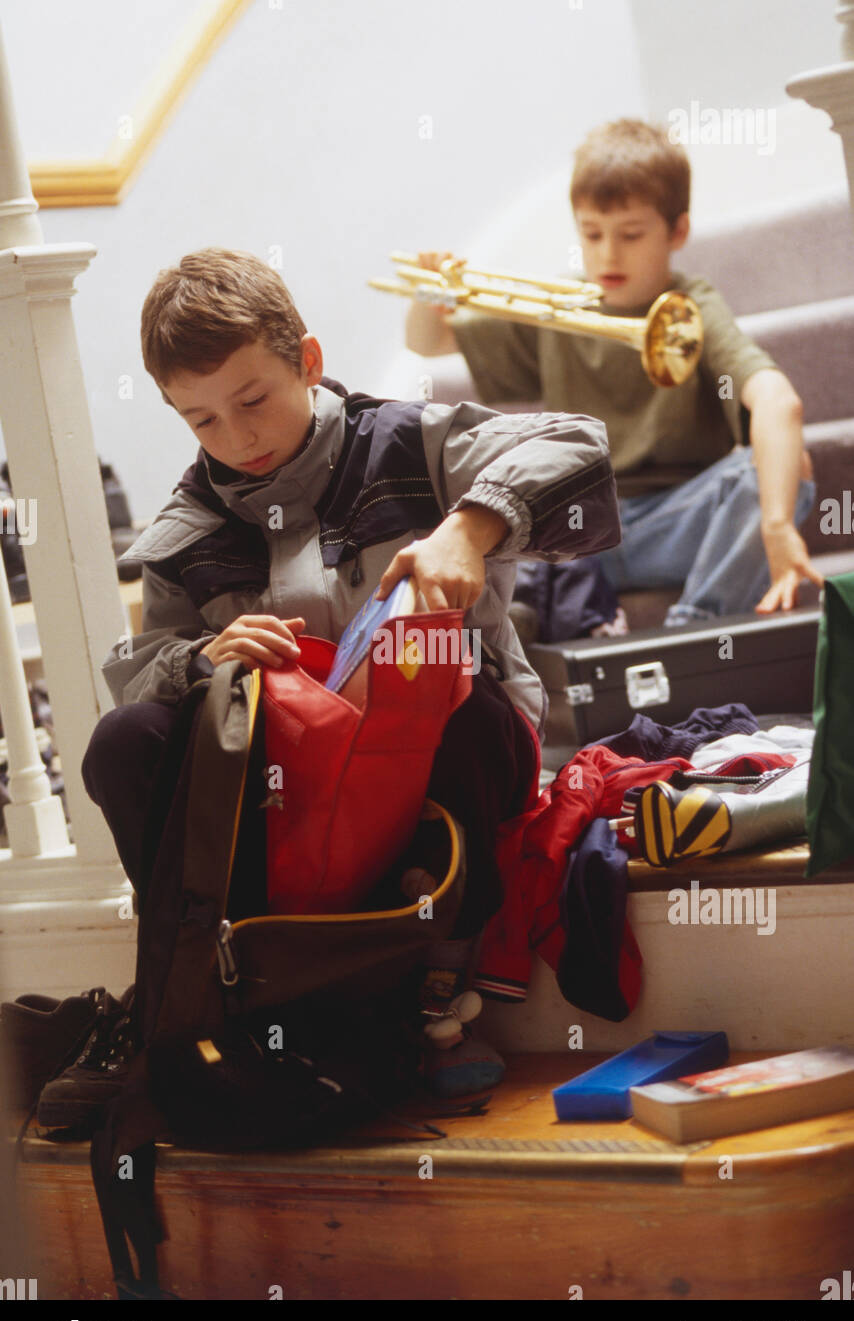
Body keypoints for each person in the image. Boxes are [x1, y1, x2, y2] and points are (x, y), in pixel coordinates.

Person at [64, 246, 620, 1110]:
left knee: (453, 680)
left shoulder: (411, 440)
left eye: (253, 399)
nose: (237, 436)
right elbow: (137, 674)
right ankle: (232, 984)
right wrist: (203, 662)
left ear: (309, 361)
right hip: (289, 809)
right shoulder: (183, 529)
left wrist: (468, 529)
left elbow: (577, 446)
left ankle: (433, 999)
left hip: (437, 785)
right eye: (202, 420)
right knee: (126, 738)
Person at [405, 118, 822, 633]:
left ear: (678, 231)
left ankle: (693, 632)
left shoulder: (694, 305)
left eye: (630, 234)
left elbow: (781, 404)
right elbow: (429, 342)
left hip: (674, 524)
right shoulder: (558, 308)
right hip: (576, 531)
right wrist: (429, 295)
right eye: (592, 233)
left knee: (787, 463)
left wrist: (777, 524)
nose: (608, 254)